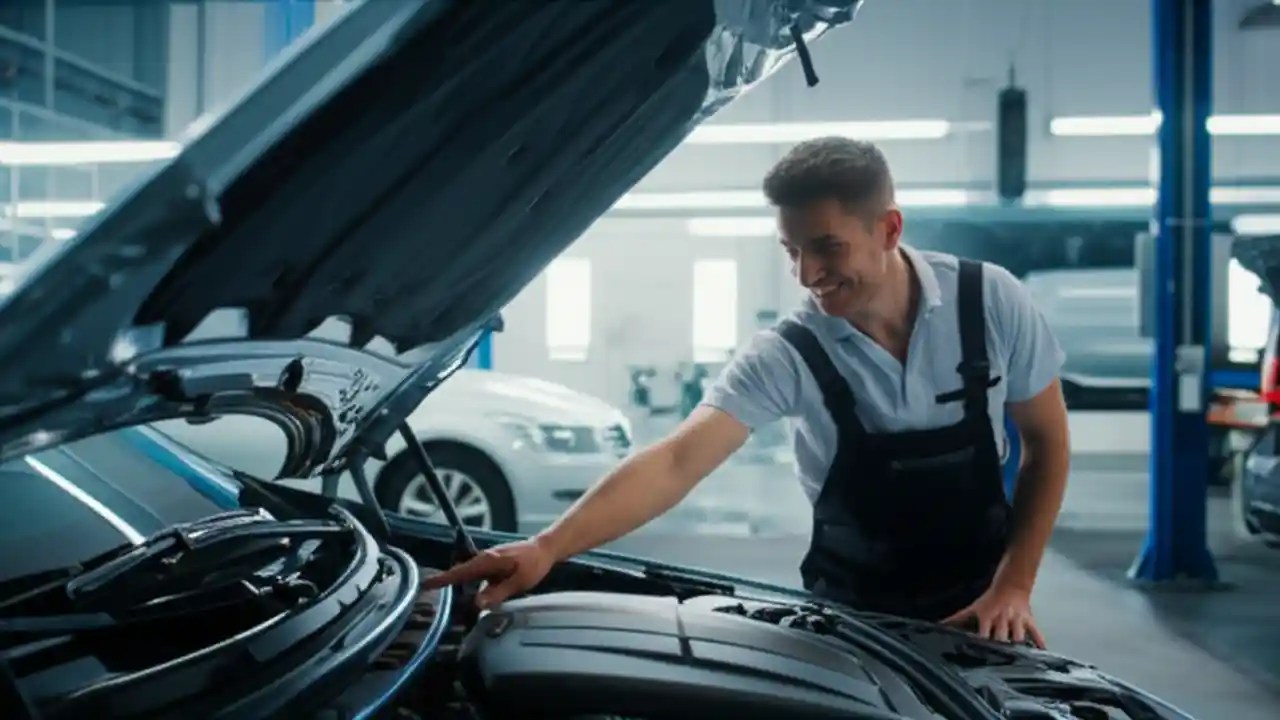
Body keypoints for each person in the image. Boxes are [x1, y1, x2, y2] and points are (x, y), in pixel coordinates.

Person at [423, 137, 1071, 648]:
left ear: (890, 228)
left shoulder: (990, 302)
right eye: (791, 251)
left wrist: (1016, 585)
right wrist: (547, 547)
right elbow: (677, 461)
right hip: (852, 622)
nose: (807, 274)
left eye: (826, 248)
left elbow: (1046, 443)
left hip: (984, 608)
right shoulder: (789, 353)